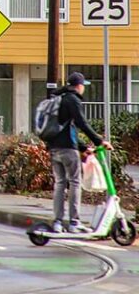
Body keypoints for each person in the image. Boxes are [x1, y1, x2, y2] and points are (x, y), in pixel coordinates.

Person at [47, 71, 112, 233]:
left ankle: (57, 222)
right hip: (68, 149)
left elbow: (66, 128)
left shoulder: (57, 99)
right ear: (79, 86)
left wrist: (83, 147)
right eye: (83, 85)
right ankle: (74, 222)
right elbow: (81, 123)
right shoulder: (73, 100)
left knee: (60, 183)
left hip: (54, 148)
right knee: (75, 182)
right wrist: (99, 141)